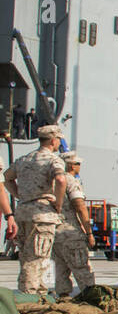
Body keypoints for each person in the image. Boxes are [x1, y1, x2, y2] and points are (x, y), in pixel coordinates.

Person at [5, 124, 67, 294]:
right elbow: (61, 180)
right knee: (37, 258)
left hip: (23, 213)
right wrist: (58, 203)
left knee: (26, 258)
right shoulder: (53, 160)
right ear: (53, 141)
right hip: (42, 215)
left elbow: (6, 178)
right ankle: (30, 297)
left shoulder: (24, 159)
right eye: (58, 141)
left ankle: (38, 294)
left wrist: (19, 195)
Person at [52, 151, 96, 297]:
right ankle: (91, 300)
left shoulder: (51, 182)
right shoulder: (70, 180)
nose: (79, 166)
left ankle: (63, 300)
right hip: (70, 233)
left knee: (61, 269)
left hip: (54, 232)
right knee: (83, 269)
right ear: (71, 165)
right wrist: (89, 233)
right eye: (78, 163)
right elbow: (80, 206)